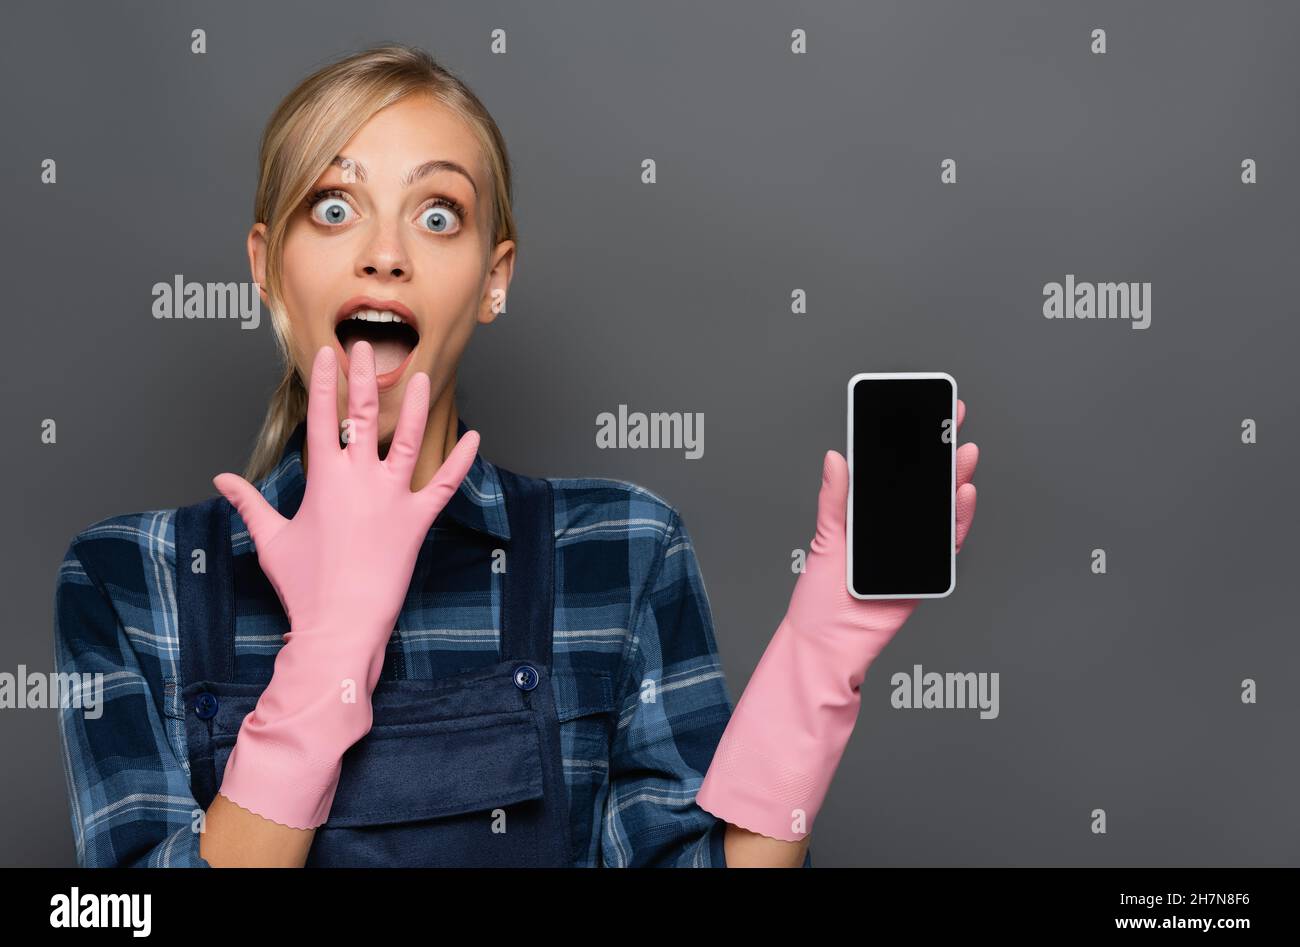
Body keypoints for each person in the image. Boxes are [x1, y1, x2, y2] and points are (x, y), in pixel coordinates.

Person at [53, 44, 978, 868]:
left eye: (437, 215)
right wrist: (324, 655)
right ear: (265, 267)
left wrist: (819, 660)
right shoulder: (132, 580)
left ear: (494, 279)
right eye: (334, 207)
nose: (385, 254)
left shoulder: (620, 549)